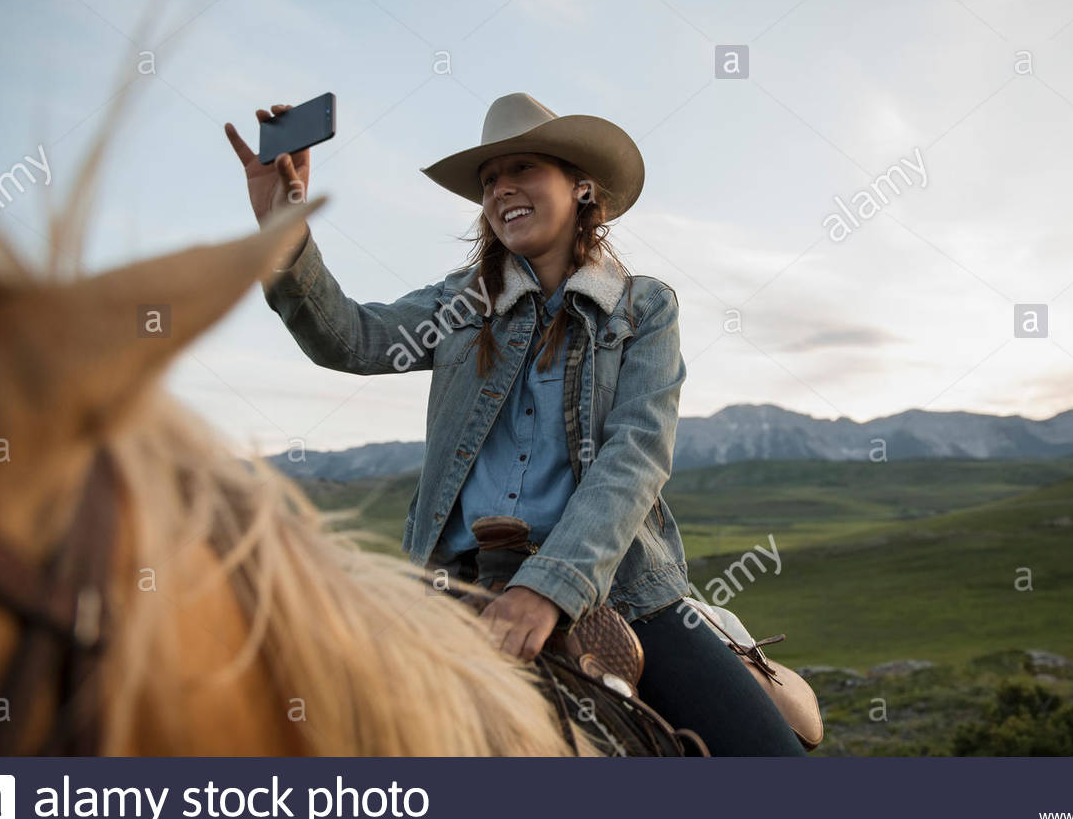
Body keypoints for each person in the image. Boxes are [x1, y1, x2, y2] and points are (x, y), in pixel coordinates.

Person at [224, 92, 805, 756]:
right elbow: (351, 340)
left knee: (772, 760)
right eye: (490, 181)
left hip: (622, 585)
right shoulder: (461, 302)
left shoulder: (644, 309)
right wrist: (283, 228)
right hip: (454, 580)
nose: (502, 190)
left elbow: (636, 455)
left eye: (523, 169)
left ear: (581, 185)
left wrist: (550, 585)